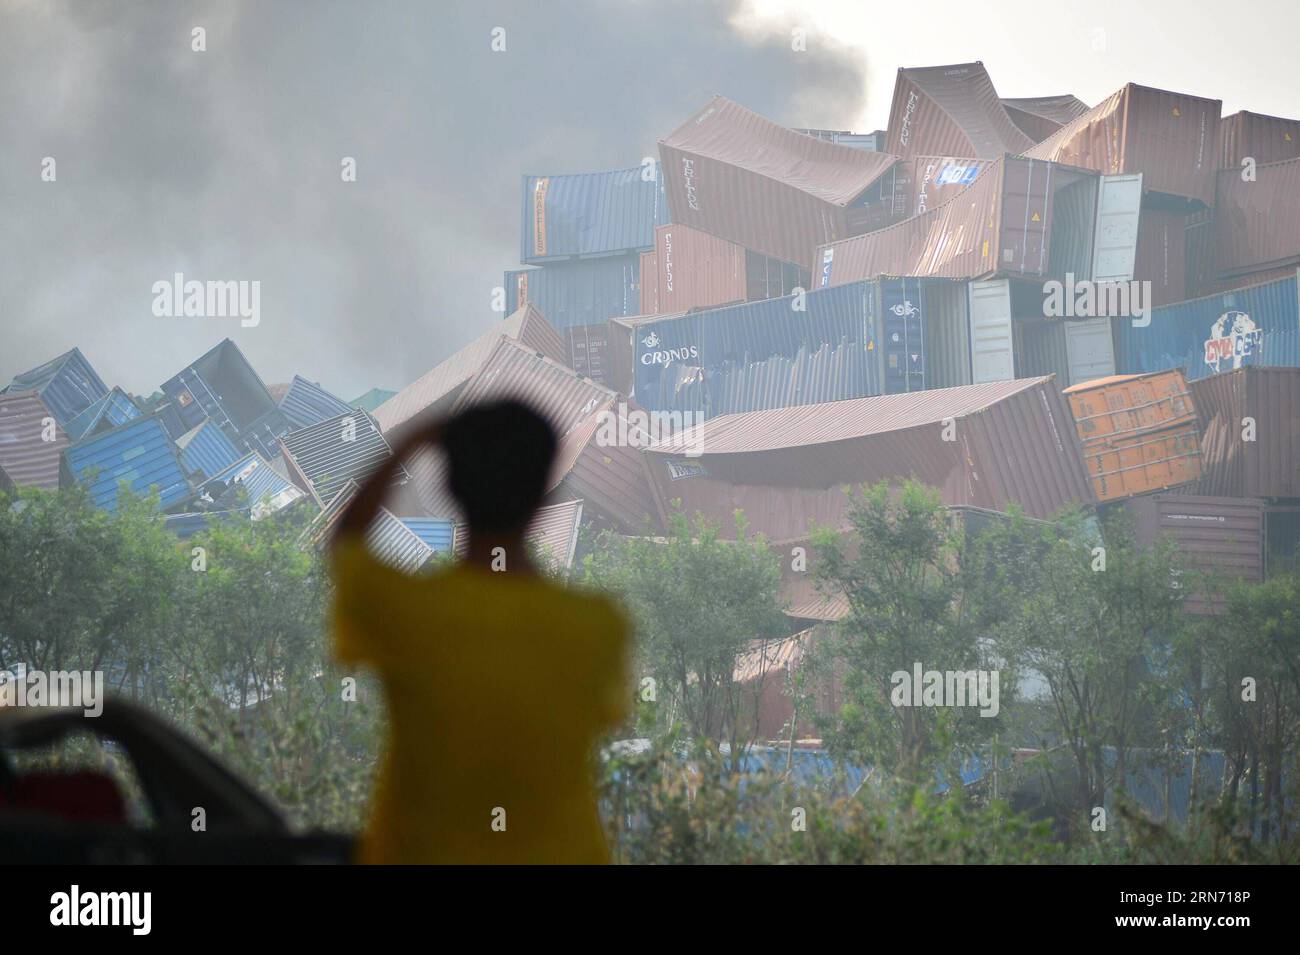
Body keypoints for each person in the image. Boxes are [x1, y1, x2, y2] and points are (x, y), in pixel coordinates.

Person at [329, 400, 631, 864]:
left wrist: (412, 439)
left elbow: (345, 543)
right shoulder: (597, 626)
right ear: (544, 497)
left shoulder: (411, 611)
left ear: (450, 488)